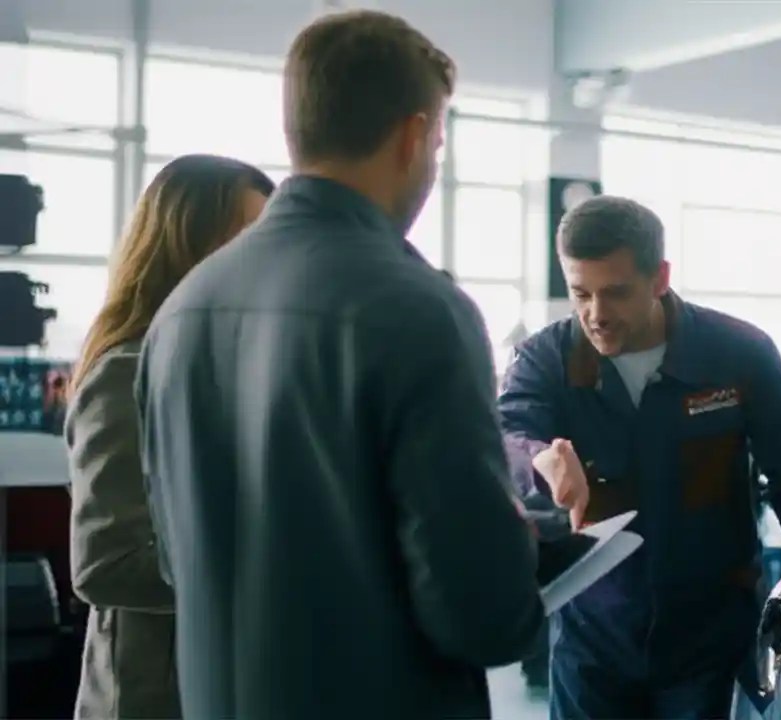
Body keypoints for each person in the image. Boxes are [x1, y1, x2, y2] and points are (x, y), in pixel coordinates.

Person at [133, 10, 544, 719]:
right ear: (415, 136)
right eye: (438, 143)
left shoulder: (182, 309)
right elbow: (479, 615)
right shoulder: (419, 309)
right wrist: (513, 549)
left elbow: (177, 561)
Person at [499, 195, 781, 719]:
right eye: (579, 293)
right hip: (594, 644)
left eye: (615, 293)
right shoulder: (548, 357)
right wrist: (540, 459)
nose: (595, 315)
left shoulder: (737, 354)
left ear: (660, 278)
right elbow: (506, 433)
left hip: (708, 644)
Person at [66, 154, 275, 719]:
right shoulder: (127, 372)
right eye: (242, 243)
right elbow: (105, 562)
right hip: (154, 699)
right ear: (186, 248)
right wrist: (269, 566)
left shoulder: (241, 368)